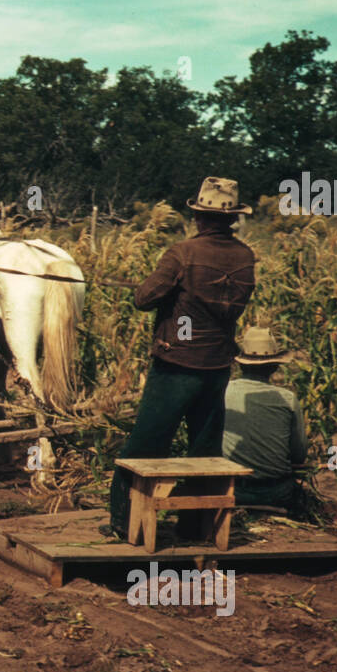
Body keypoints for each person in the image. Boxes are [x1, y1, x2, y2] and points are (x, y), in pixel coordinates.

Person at [108, 177, 257, 537]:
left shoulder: (182, 253)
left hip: (176, 363)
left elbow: (143, 299)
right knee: (205, 448)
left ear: (199, 217)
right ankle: (196, 527)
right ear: (232, 218)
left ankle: (125, 523)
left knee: (145, 444)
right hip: (218, 364)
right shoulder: (245, 256)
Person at [223, 326, 308, 513]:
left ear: (240, 363)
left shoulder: (222, 392)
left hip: (230, 490)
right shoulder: (287, 399)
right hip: (277, 493)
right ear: (275, 366)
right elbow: (299, 454)